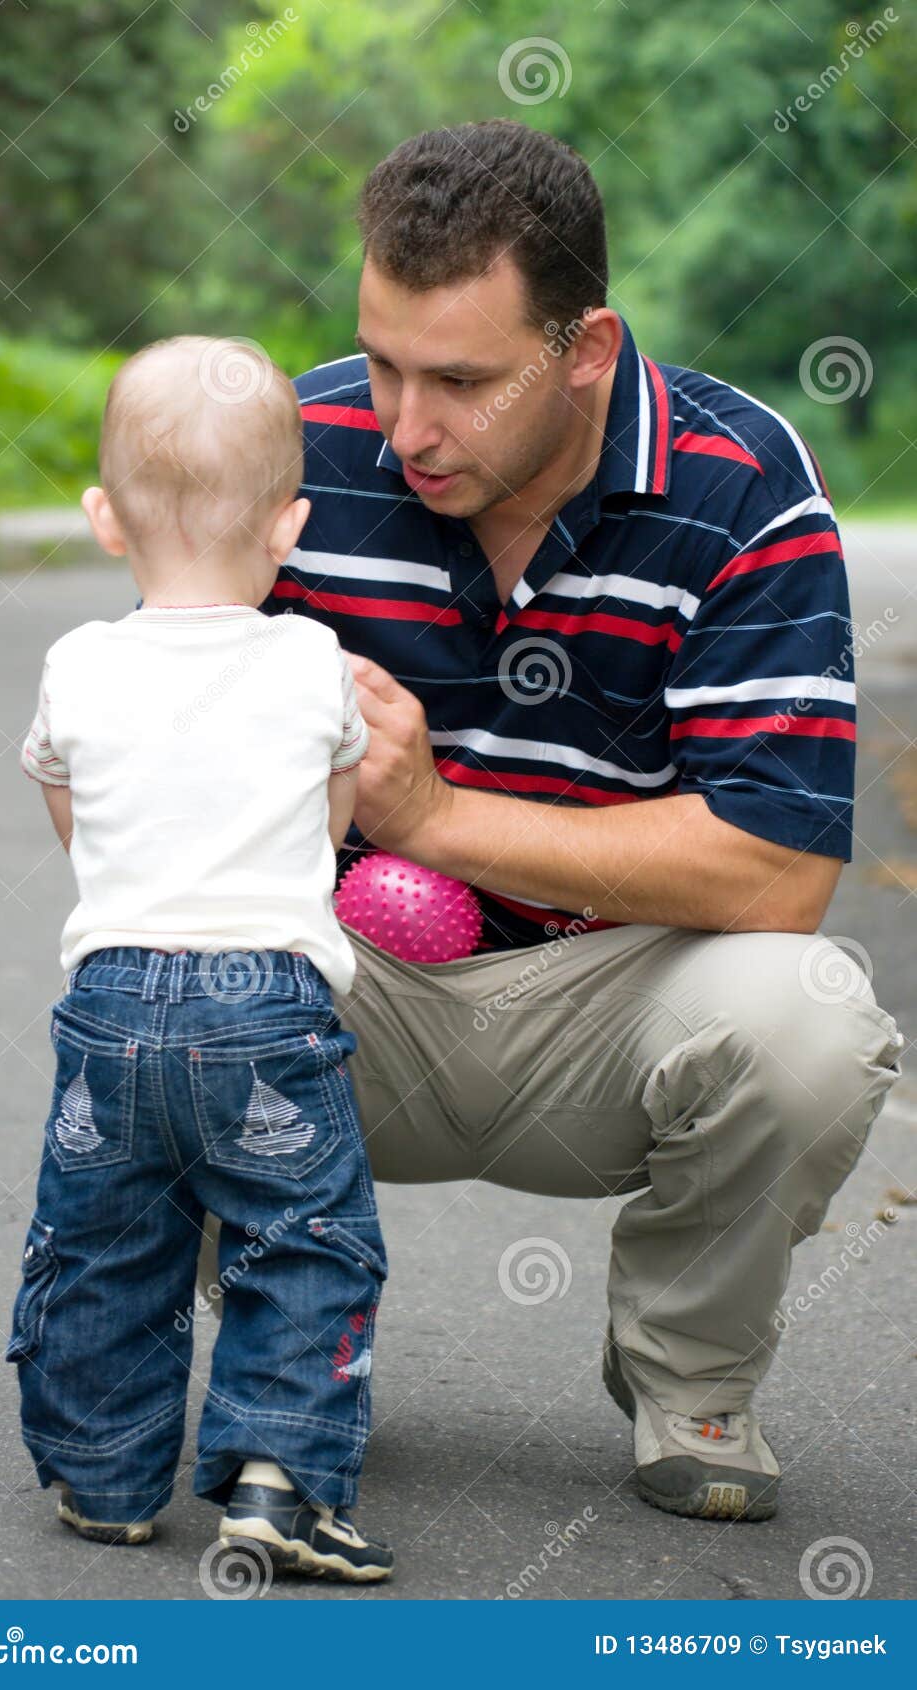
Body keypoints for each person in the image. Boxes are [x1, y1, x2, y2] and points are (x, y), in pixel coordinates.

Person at [249, 118, 905, 1522]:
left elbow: (779, 871)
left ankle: (686, 1373)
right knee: (155, 981)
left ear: (585, 351)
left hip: (613, 1005)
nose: (403, 427)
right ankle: (255, 1359)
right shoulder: (296, 448)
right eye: (380, 364)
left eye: (461, 381)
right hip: (349, 1005)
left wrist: (431, 815)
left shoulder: (737, 484)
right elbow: (148, 749)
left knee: (807, 1018)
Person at [7, 335, 393, 1582]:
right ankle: (277, 1477)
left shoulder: (77, 661)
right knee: (302, 1236)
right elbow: (330, 828)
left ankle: (105, 1477)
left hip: (111, 994)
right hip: (267, 1002)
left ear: (103, 519)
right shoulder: (313, 659)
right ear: (291, 525)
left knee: (105, 1237)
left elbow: (78, 821)